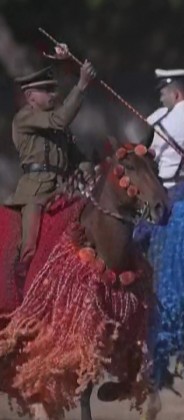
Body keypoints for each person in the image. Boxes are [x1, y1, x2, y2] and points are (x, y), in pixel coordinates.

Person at [4, 45, 96, 280]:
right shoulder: (25, 117)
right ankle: (21, 286)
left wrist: (87, 171)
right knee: (30, 248)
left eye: (54, 89)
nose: (53, 94)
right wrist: (81, 85)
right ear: (30, 97)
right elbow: (60, 119)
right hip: (35, 191)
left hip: (65, 189)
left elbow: (79, 157)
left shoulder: (57, 130)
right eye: (46, 90)